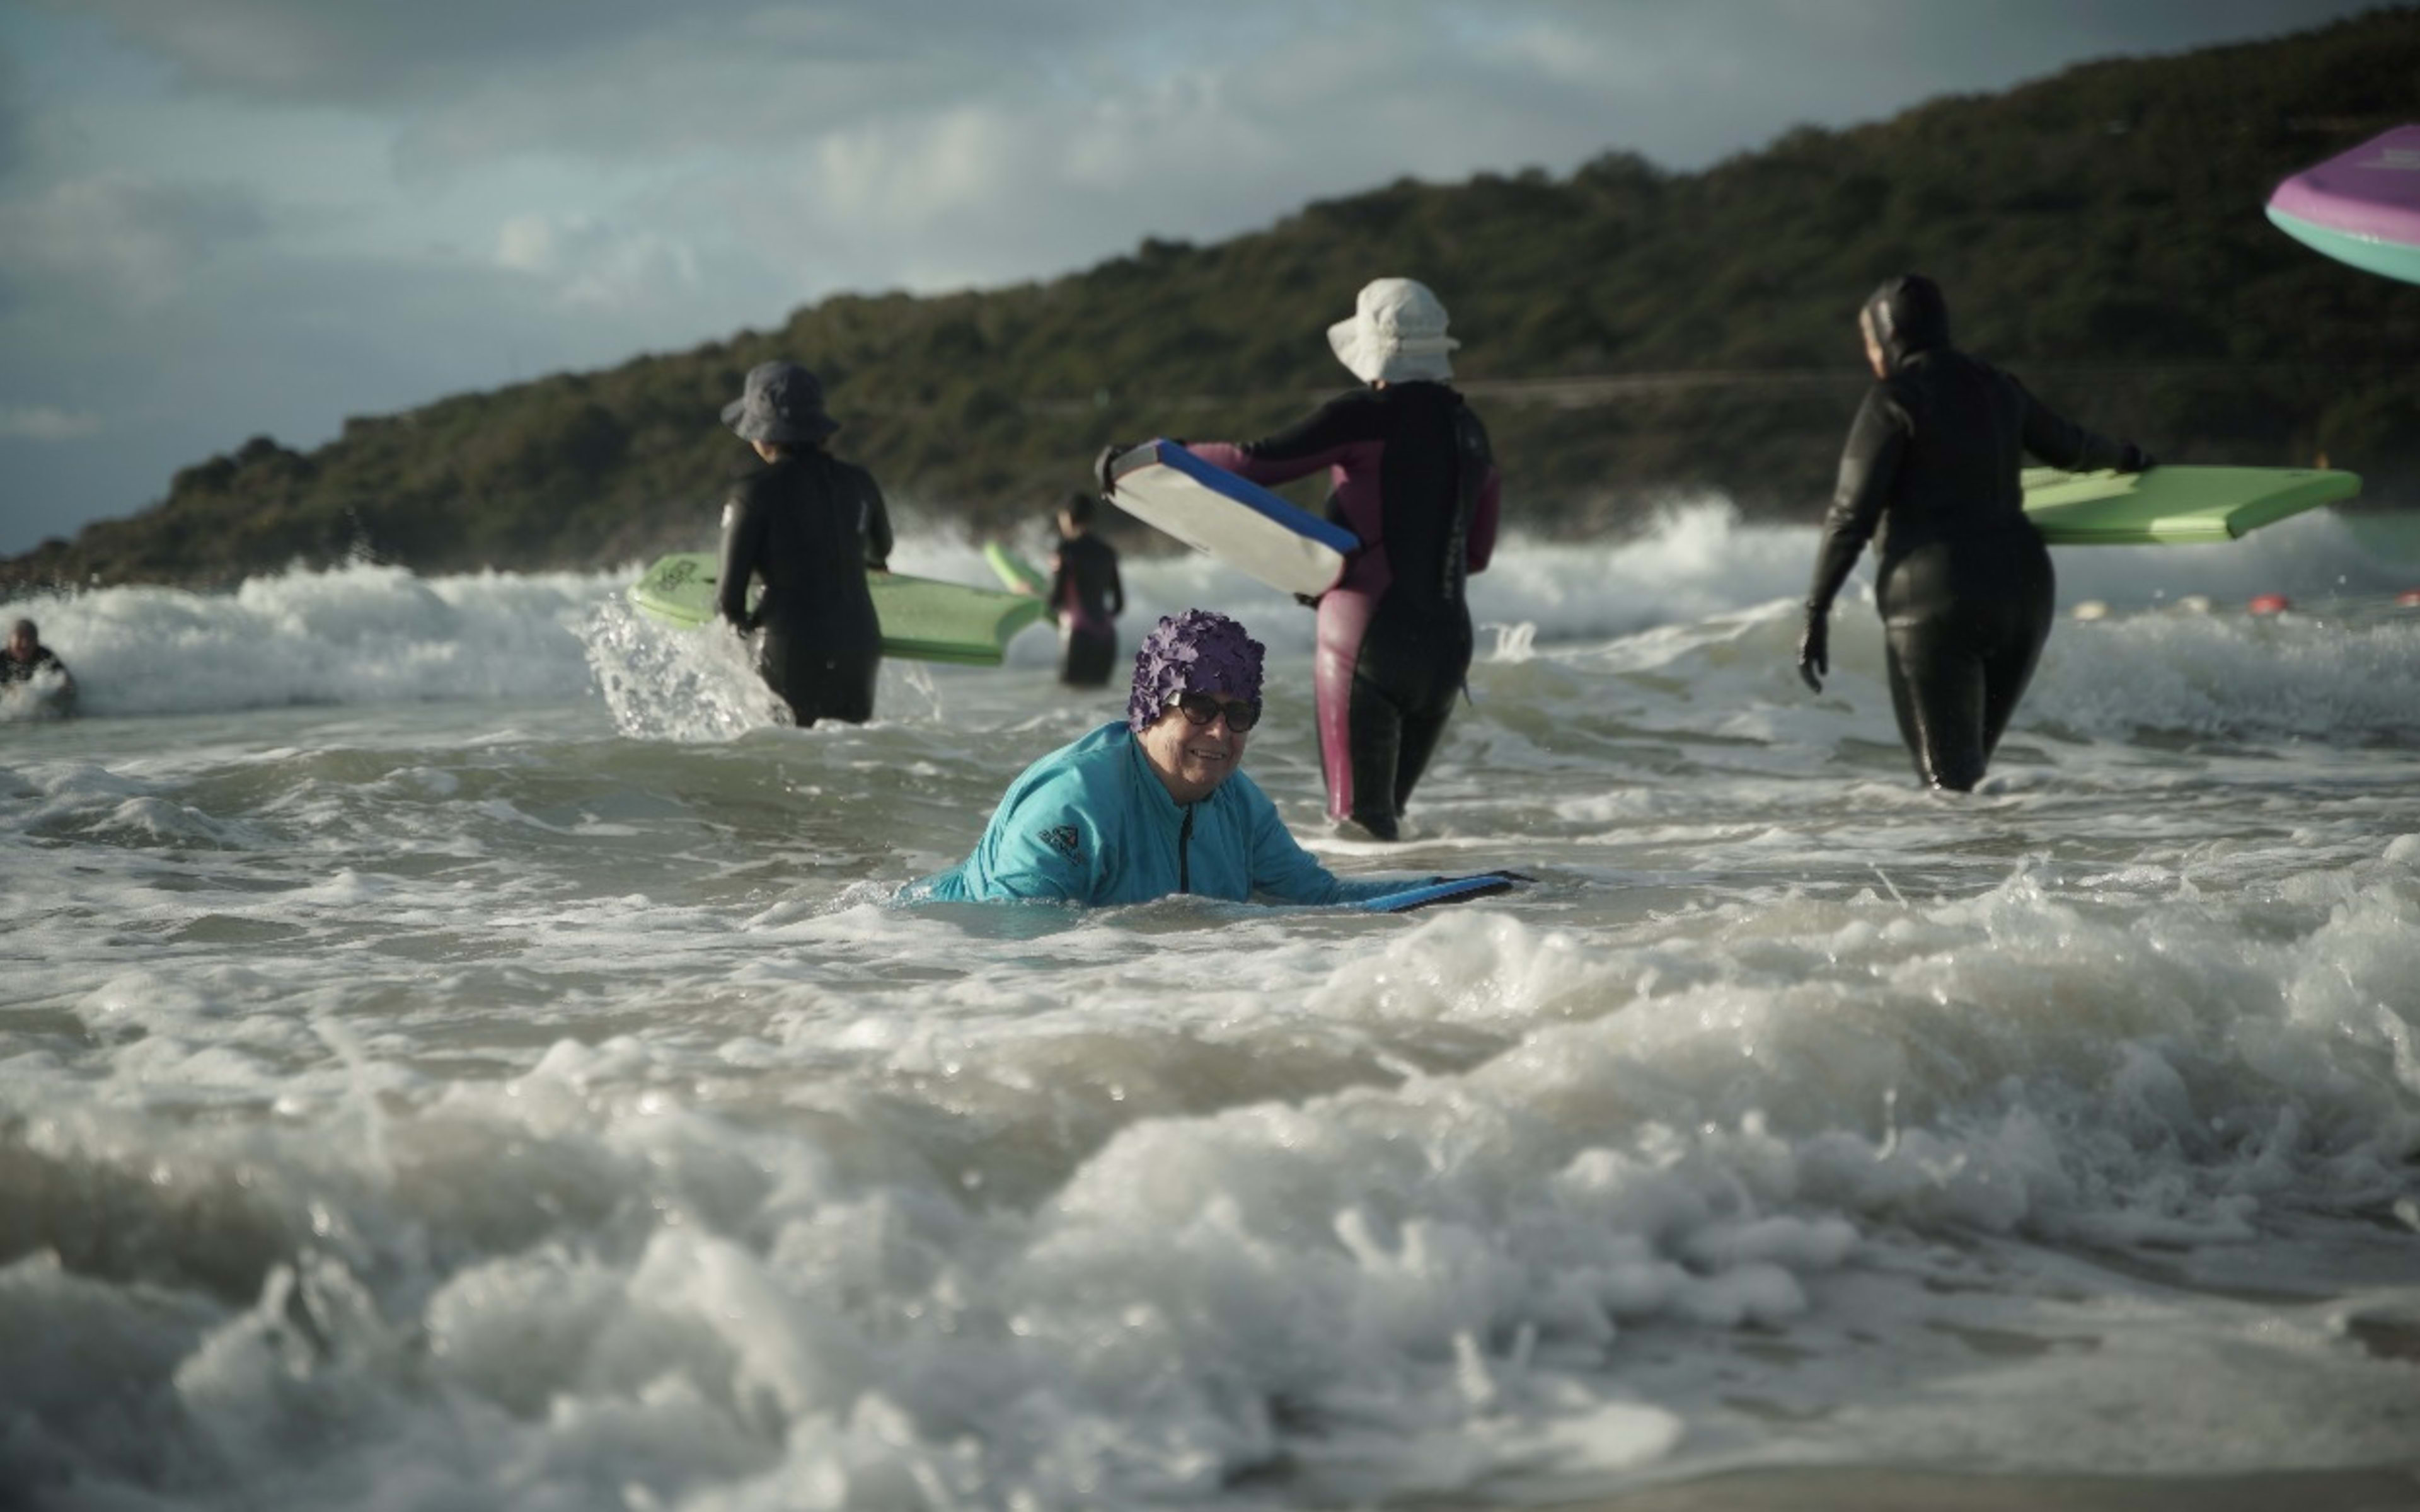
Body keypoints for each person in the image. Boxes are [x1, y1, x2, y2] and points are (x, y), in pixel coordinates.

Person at [1097, 278, 1500, 841]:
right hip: (1448, 646)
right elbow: (1476, 553)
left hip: (1368, 639)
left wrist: (1165, 457)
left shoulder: (1365, 414)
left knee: (1357, 827)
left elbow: (1251, 463)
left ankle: (1355, 931)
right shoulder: (1470, 430)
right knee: (1389, 829)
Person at [1797, 275, 2153, 791]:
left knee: (1948, 786)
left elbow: (1850, 516)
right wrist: (2130, 458)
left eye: (1870, 342)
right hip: (2024, 594)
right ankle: (2013, 867)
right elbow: (2073, 448)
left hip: (1934, 599)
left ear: (1889, 335)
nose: (1870, 355)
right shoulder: (1998, 386)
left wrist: (1816, 611)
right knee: (1969, 776)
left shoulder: (1893, 399)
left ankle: (1980, 870)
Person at [908, 609, 1410, 907]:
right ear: (1149, 710)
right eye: (1198, 706)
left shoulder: (1240, 804)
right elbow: (1014, 941)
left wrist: (1461, 893)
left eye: (1239, 713)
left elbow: (1323, 903)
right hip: (914, 945)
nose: (1219, 730)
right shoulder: (1074, 803)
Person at [715, 359, 894, 726]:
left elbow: (728, 604)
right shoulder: (860, 483)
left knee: (791, 767)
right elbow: (881, 550)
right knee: (850, 765)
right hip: (859, 646)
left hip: (788, 651)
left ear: (761, 435)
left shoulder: (752, 493)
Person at [1047, 490, 1124, 687]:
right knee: (1097, 707)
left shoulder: (1066, 549)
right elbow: (1118, 605)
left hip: (1078, 633)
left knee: (1070, 704)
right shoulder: (1107, 552)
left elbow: (1056, 599)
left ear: (1068, 517)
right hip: (1107, 636)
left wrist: (1031, 593)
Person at [1, 617, 75, 714]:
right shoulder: (2, 659)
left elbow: (67, 681)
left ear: (36, 642)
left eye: (29, 639)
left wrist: (61, 692)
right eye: (20, 638)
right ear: (10, 640)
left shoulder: (45, 656)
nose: (25, 644)